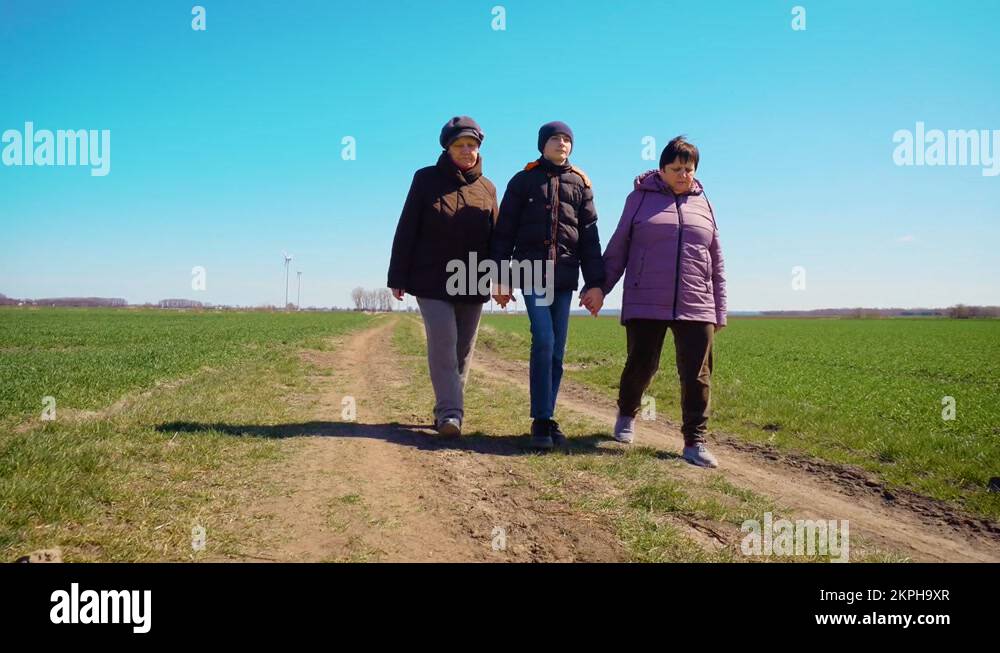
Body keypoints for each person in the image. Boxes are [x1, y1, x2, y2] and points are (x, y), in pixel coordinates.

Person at [580, 136, 727, 467]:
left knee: (697, 374)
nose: (682, 175)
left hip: (696, 302)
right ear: (661, 169)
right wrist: (600, 287)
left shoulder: (705, 204)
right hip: (646, 298)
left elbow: (716, 260)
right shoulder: (639, 199)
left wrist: (719, 309)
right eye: (675, 168)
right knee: (642, 364)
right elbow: (619, 246)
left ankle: (695, 441)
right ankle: (627, 415)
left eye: (688, 169)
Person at [491, 121, 604, 450]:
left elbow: (590, 239)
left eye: (568, 139)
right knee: (543, 337)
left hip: (565, 278)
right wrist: (499, 277)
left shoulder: (581, 185)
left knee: (556, 350)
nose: (562, 143)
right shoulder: (523, 181)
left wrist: (595, 283)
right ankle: (541, 419)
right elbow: (504, 234)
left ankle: (547, 415)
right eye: (555, 138)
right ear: (542, 144)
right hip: (530, 272)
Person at [387, 116, 498, 436]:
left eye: (472, 146)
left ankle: (446, 410)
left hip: (473, 279)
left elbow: (497, 239)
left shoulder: (488, 188)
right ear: (447, 148)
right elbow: (407, 227)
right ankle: (452, 413)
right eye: (460, 145)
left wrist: (502, 279)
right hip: (432, 279)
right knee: (444, 343)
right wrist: (398, 275)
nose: (467, 151)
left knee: (463, 350)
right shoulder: (425, 179)